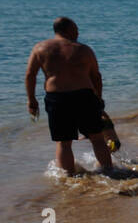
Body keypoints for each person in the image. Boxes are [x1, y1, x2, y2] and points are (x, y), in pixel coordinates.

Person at [25, 17, 114, 175]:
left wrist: (32, 100)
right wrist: (98, 99)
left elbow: (30, 75)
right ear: (67, 30)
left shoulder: (40, 48)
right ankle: (109, 172)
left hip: (57, 98)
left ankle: (69, 178)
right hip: (84, 97)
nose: (78, 32)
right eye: (76, 29)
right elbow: (96, 76)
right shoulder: (84, 50)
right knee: (97, 138)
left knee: (64, 143)